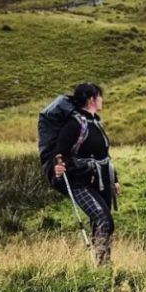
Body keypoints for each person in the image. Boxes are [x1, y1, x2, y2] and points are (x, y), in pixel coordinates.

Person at [54, 82, 121, 265]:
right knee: (103, 220)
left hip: (101, 180)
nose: (101, 100)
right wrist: (59, 167)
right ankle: (101, 264)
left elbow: (104, 155)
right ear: (91, 99)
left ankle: (103, 265)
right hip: (80, 183)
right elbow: (61, 152)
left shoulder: (95, 122)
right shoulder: (74, 125)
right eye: (99, 96)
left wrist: (114, 179)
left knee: (102, 222)